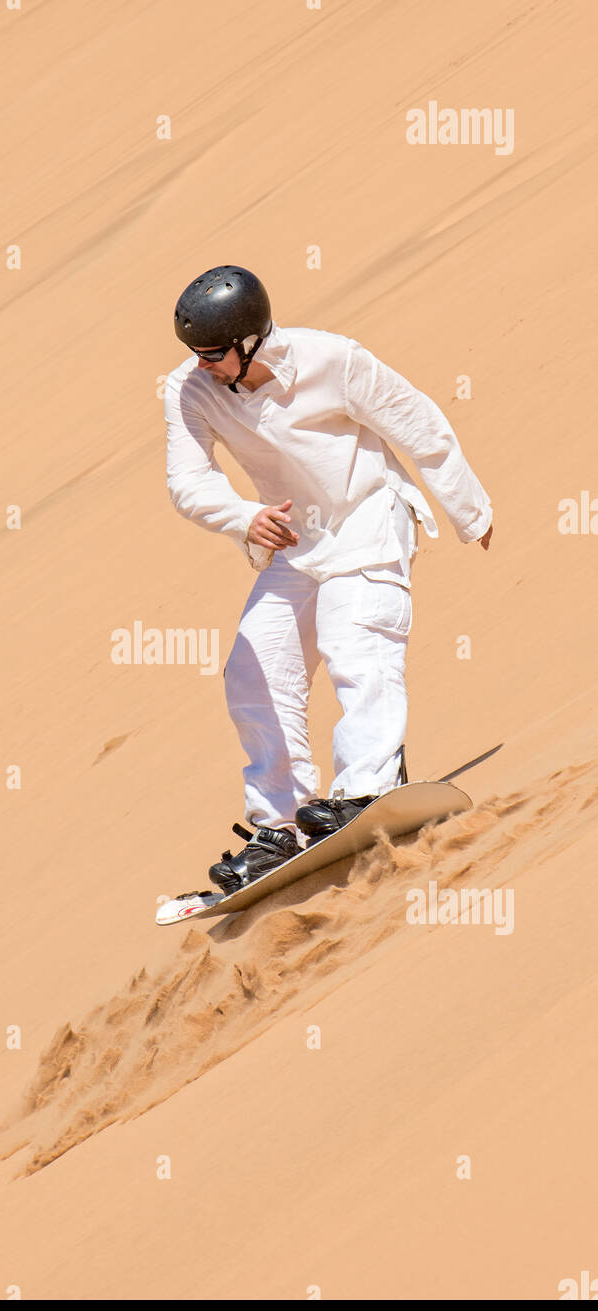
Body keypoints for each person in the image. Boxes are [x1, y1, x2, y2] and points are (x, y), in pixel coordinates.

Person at [164, 265, 493, 894]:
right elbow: (188, 481)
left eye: (212, 352)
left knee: (356, 641)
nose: (200, 364)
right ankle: (277, 826)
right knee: (254, 667)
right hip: (293, 541)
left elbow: (417, 423)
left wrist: (469, 510)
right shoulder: (191, 389)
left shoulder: (333, 360)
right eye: (193, 353)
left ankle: (369, 785)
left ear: (251, 340)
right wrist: (242, 517)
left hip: (369, 519)